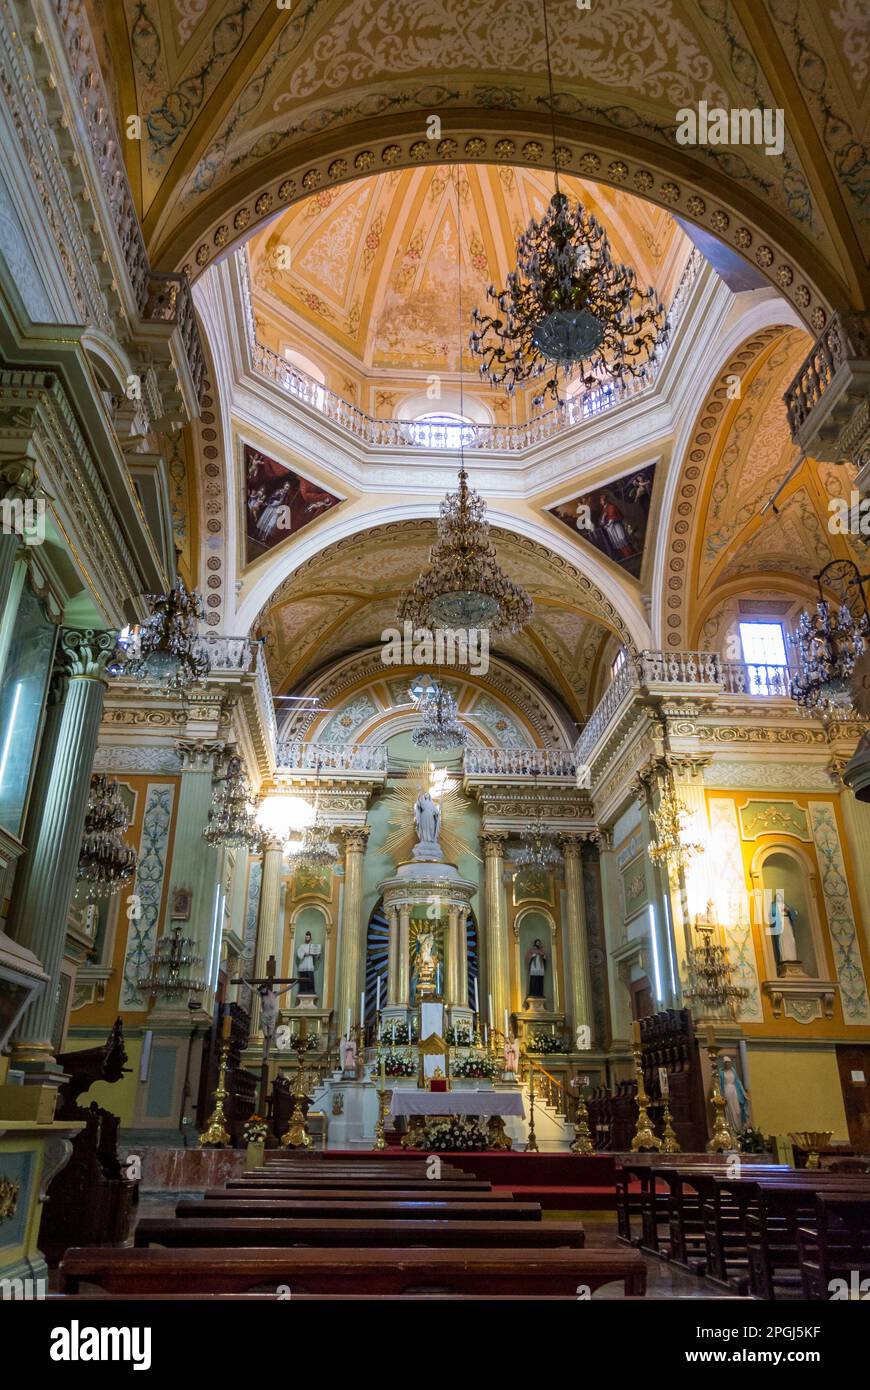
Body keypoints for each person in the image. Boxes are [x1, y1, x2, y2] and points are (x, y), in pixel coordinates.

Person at [295, 930, 321, 997]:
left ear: (310, 938)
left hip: (310, 966)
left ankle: (311, 991)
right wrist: (304, 954)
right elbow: (299, 955)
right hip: (303, 966)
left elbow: (316, 956)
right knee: (303, 980)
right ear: (305, 938)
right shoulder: (302, 946)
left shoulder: (313, 946)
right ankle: (302, 991)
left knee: (310, 980)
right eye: (306, 937)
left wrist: (317, 956)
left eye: (308, 937)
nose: (307, 939)